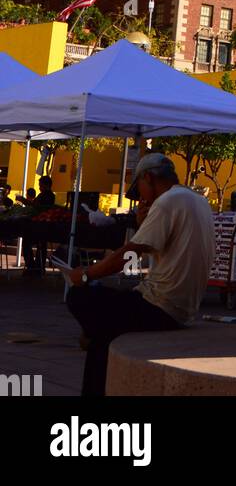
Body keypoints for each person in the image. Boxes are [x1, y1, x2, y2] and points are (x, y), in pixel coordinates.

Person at [66, 152, 216, 397]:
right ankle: (94, 334)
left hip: (160, 306)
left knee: (79, 297)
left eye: (140, 189)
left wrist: (86, 274)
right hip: (184, 307)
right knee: (104, 332)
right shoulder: (197, 200)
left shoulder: (167, 202)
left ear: (148, 177)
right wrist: (141, 223)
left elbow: (131, 255)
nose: (140, 198)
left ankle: (91, 339)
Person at [23, 175, 56, 275]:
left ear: (46, 185)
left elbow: (37, 207)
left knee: (28, 242)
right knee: (40, 245)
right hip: (41, 227)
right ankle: (36, 267)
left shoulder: (47, 196)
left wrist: (24, 201)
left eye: (40, 185)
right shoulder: (45, 195)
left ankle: (33, 267)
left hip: (41, 227)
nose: (39, 187)